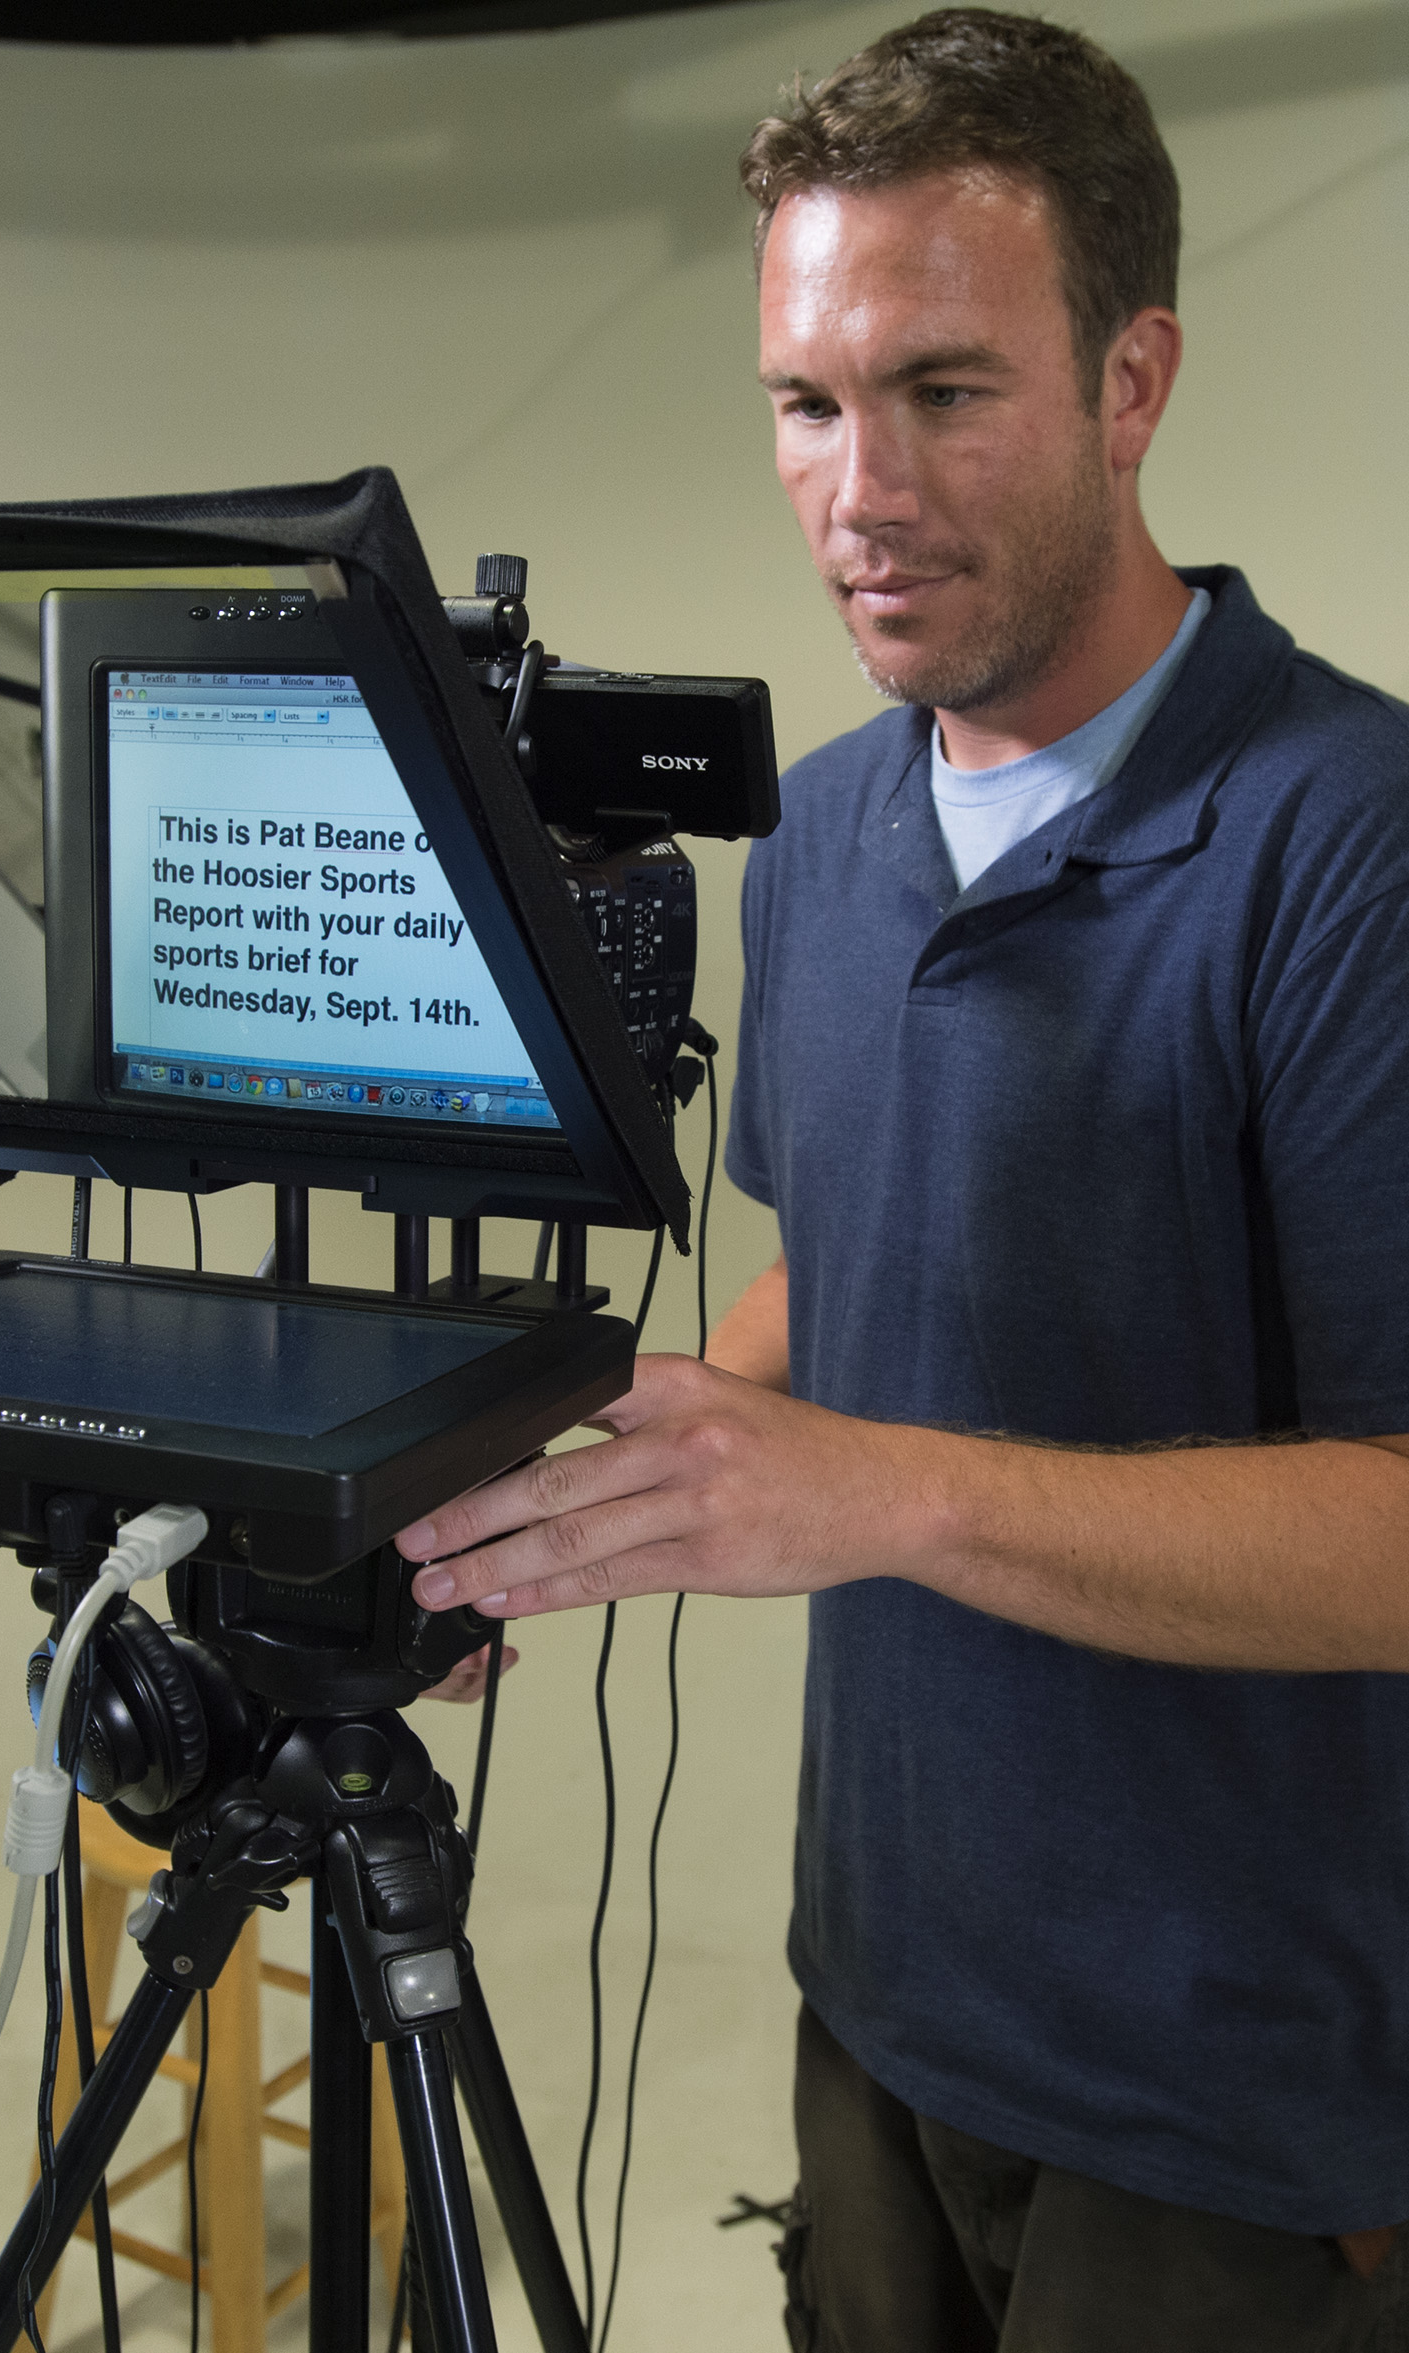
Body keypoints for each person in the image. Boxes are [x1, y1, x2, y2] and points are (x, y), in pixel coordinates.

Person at [405, 10, 1409, 2346]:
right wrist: (555, 1494)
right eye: (807, 401)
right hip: (882, 2008)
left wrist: (869, 1499)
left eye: (945, 391)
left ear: (1131, 378)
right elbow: (837, 1306)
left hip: (1240, 2122)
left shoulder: (1347, 852)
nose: (863, 485)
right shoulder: (829, 836)